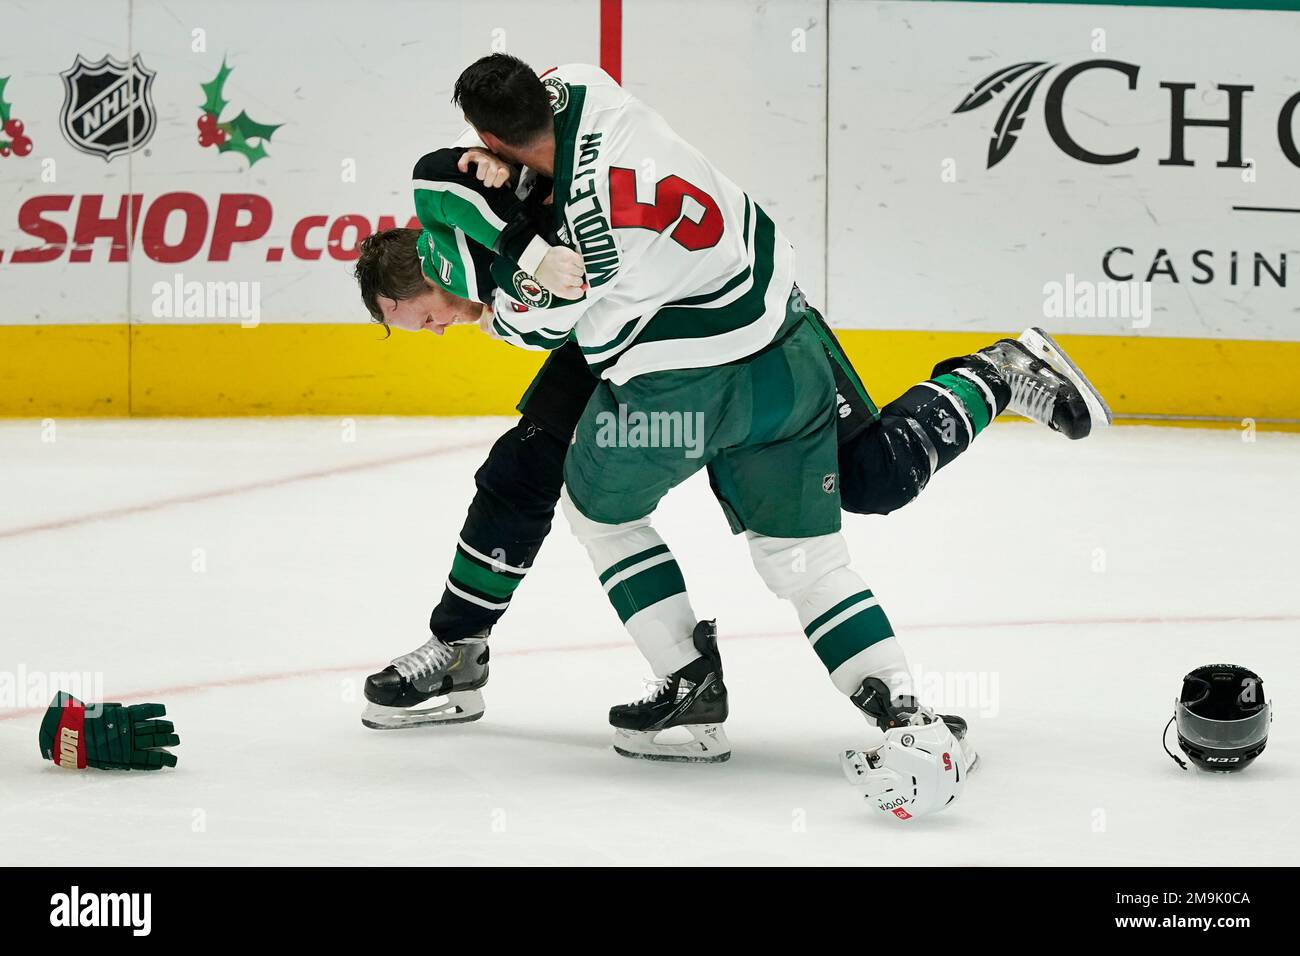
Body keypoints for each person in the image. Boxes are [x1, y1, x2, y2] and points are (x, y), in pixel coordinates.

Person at [352, 54, 1111, 818]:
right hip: (740, 323)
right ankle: (460, 646)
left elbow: (538, 311)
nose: (437, 330)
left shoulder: (570, 248)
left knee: (859, 479)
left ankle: (994, 375)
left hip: (672, 354)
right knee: (526, 469)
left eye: (423, 318)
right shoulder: (581, 87)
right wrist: (515, 204)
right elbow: (451, 168)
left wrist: (509, 273)